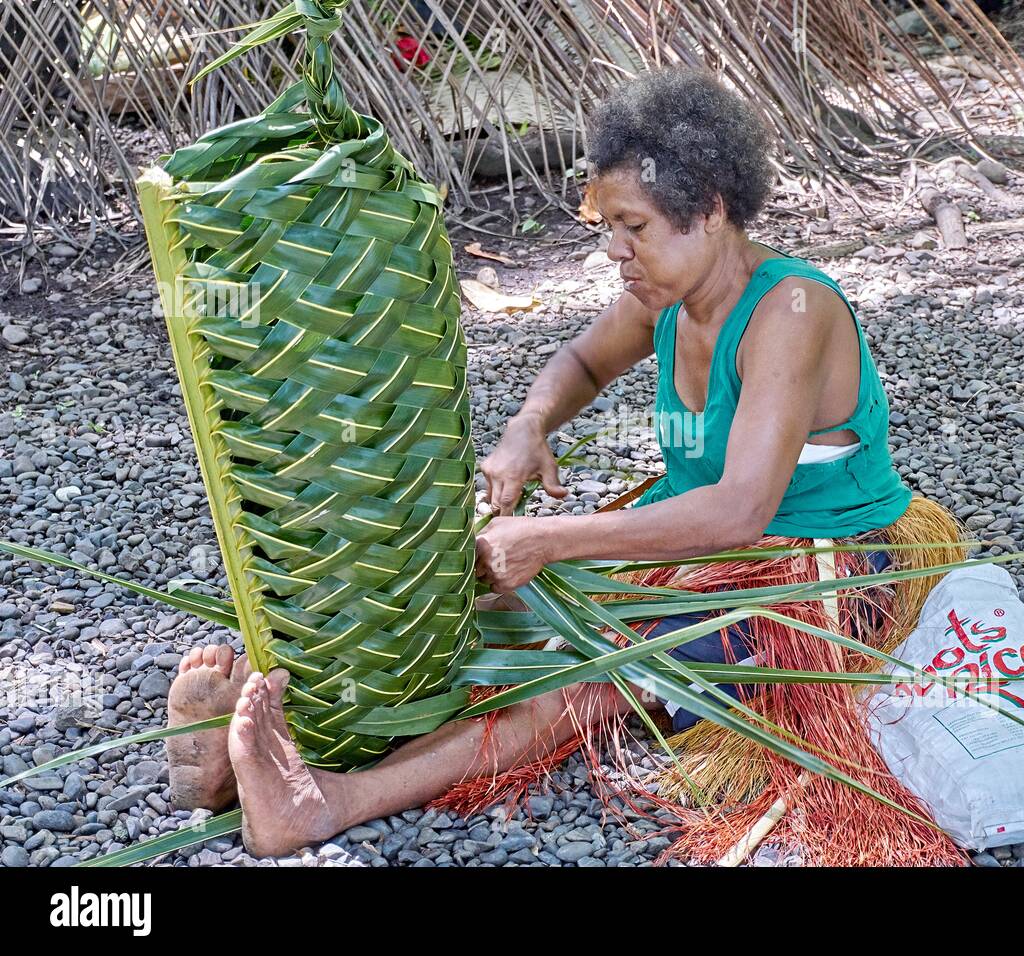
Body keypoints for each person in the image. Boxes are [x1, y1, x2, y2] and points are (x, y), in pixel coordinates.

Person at [163, 66, 914, 858]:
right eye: (608, 228)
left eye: (635, 226)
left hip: (820, 572)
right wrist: (528, 427)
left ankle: (324, 804)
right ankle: (252, 755)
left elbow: (740, 511)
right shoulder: (665, 294)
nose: (616, 252)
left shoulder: (792, 309)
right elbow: (584, 366)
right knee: (459, 613)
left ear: (713, 210)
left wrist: (552, 539)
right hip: (708, 556)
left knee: (597, 673)